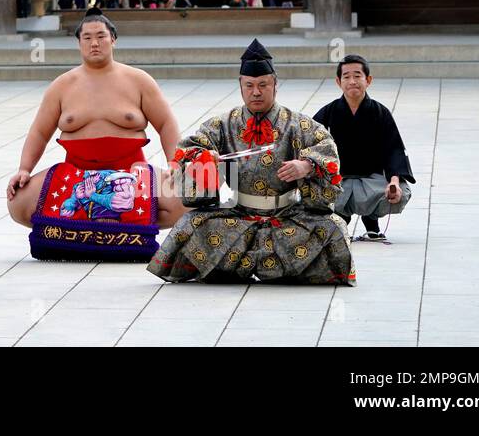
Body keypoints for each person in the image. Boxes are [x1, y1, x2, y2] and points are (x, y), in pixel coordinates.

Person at [147, 39, 355, 285]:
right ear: (241, 86)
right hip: (238, 212)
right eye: (250, 86)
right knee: (190, 223)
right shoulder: (224, 124)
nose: (256, 92)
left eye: (263, 85)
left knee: (334, 226)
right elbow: (189, 148)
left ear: (275, 85)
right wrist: (204, 160)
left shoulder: (298, 124)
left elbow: (327, 150)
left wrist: (307, 166)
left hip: (288, 213)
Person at [6, 8, 186, 231]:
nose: (94, 43)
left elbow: (166, 123)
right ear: (79, 43)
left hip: (130, 175)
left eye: (101, 36)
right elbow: (40, 133)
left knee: (187, 198)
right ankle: (92, 223)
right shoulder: (62, 85)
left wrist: (174, 163)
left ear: (113, 39)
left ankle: (123, 224)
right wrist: (24, 169)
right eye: (87, 38)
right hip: (76, 176)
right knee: (18, 202)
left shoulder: (139, 80)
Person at [312, 55, 415, 243]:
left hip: (371, 180)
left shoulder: (380, 112)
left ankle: (371, 221)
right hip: (338, 179)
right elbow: (308, 142)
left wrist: (393, 183)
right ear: (338, 81)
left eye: (357, 76)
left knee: (401, 191)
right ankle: (340, 220)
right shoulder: (329, 112)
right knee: (310, 191)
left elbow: (394, 150)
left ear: (368, 80)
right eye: (346, 77)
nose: (352, 81)